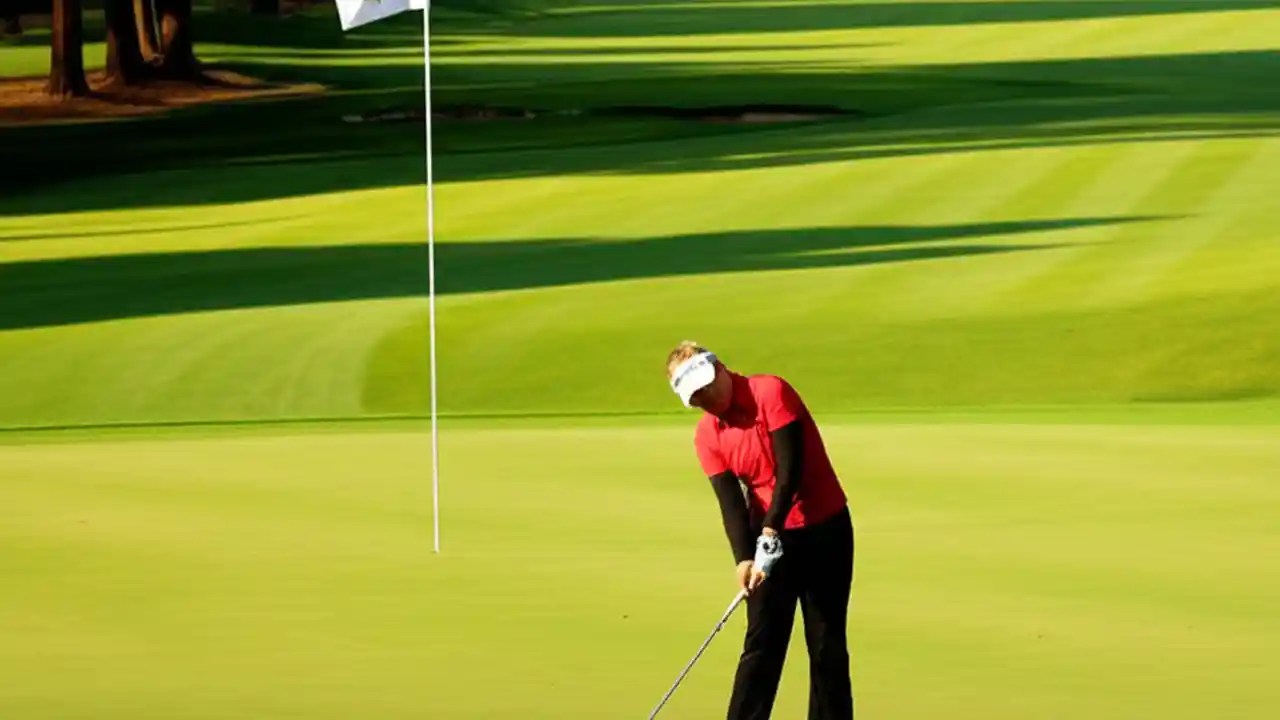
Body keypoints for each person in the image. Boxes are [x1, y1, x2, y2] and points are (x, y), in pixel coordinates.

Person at [665, 341, 855, 720]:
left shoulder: (770, 391)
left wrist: (769, 530)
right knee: (762, 642)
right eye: (696, 396)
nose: (705, 398)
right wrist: (744, 559)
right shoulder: (707, 436)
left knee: (825, 644)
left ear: (719, 367)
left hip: (824, 530)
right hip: (769, 542)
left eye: (706, 386)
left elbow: (791, 472)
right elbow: (731, 505)